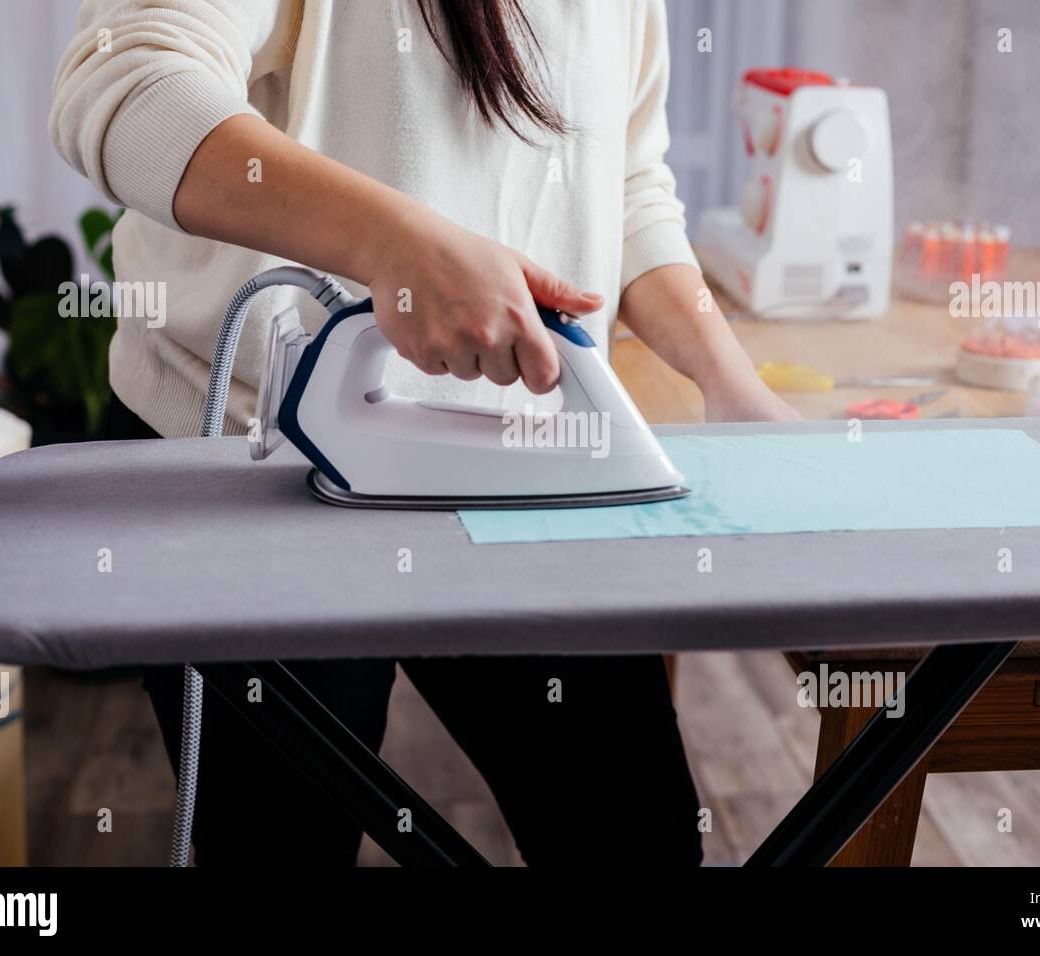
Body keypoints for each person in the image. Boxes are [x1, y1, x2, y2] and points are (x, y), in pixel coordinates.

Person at [51, 0, 798, 866]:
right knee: (277, 845)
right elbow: (128, 81)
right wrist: (396, 241)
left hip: (518, 466)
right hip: (261, 459)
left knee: (634, 836)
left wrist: (731, 385)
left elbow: (627, 183)